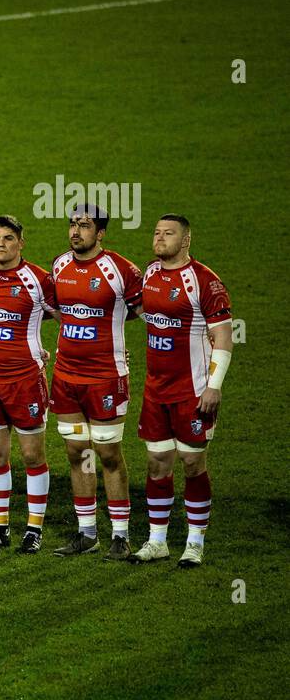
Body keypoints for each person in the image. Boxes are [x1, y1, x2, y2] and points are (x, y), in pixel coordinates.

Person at [129, 214, 232, 568]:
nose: (159, 238)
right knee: (157, 463)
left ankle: (195, 542)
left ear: (185, 240)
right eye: (156, 233)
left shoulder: (205, 281)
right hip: (155, 390)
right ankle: (157, 541)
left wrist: (213, 387)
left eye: (168, 234)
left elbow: (223, 338)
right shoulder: (151, 274)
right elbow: (145, 312)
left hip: (192, 391)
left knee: (192, 463)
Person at [49, 204, 143, 559]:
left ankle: (120, 535)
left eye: (85, 226)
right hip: (66, 377)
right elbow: (59, 309)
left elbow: (141, 308)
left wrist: (112, 329)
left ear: (100, 233)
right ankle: (87, 533)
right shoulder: (60, 265)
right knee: (77, 452)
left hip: (105, 379)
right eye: (73, 224)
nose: (76, 231)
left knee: (108, 454)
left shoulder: (121, 270)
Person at [0, 216, 57, 553]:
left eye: (7, 238)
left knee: (32, 456)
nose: (1, 244)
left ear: (21, 242)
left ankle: (34, 529)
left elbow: (70, 316)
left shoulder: (39, 280)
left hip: (25, 381)